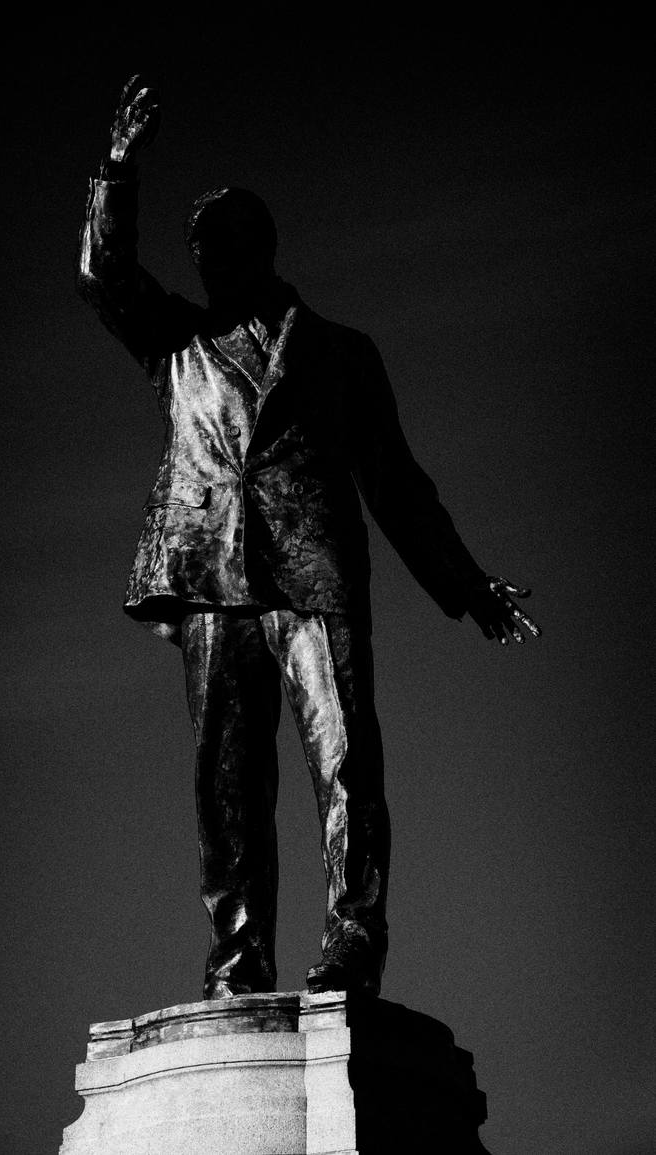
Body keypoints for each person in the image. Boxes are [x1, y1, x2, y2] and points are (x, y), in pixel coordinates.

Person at [77, 77, 541, 1000]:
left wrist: (468, 584)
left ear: (260, 246)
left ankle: (352, 940)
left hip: (314, 574)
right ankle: (237, 960)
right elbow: (103, 276)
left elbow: (398, 484)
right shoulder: (178, 341)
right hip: (212, 575)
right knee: (227, 783)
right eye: (196, 245)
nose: (204, 256)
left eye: (219, 242)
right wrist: (119, 169)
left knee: (344, 758)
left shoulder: (340, 353)